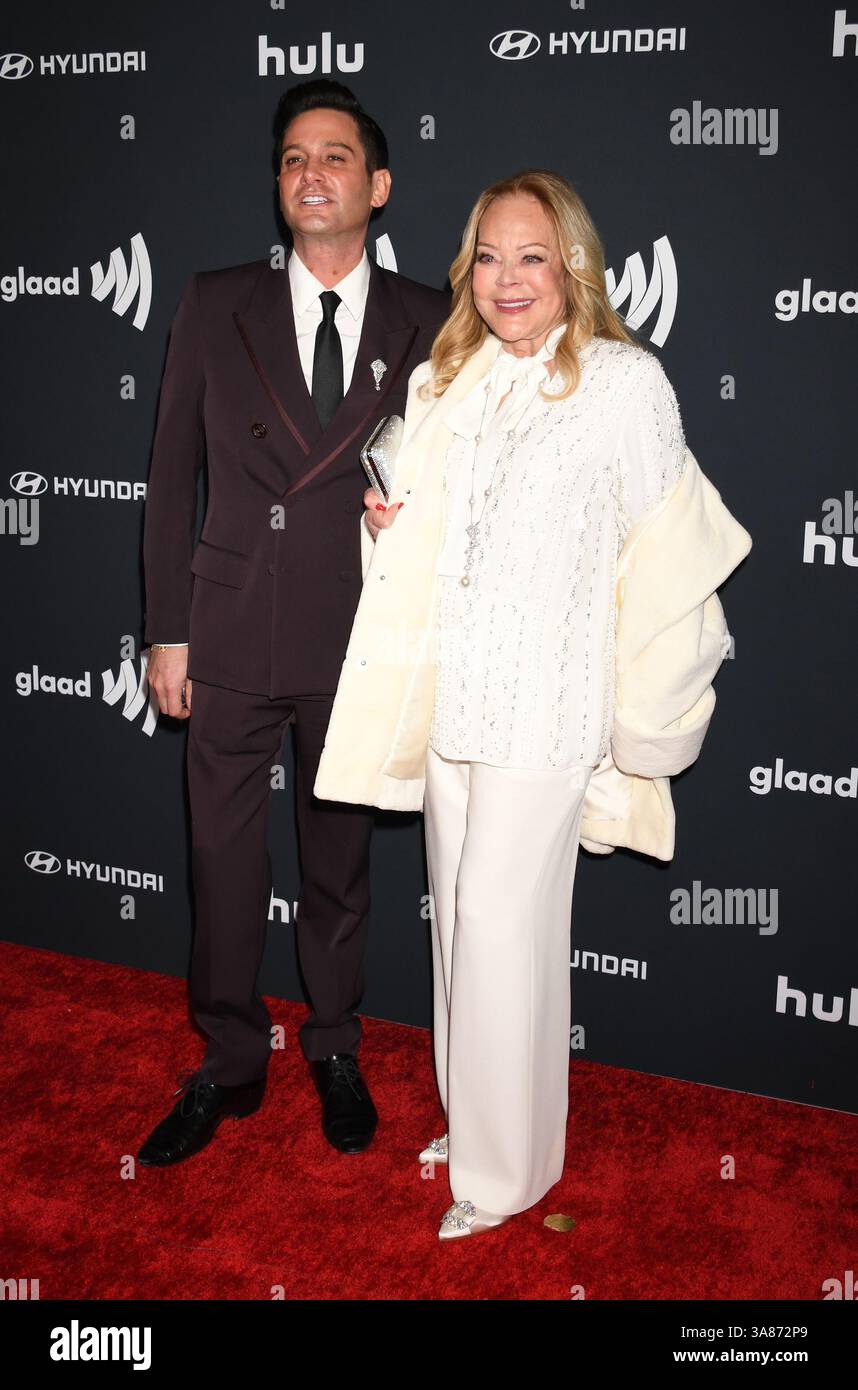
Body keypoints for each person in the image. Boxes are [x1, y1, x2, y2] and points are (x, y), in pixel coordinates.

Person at [312, 169, 752, 1237]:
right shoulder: (451, 378)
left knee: (505, 932)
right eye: (491, 257)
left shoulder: (621, 383)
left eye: (534, 257)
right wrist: (386, 528)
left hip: (548, 712)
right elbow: (433, 547)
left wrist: (642, 720)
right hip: (459, 700)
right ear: (470, 270)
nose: (509, 280)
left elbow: (670, 558)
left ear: (575, 270)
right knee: (463, 930)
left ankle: (509, 1179)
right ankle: (481, 1128)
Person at [136, 79, 450, 1167]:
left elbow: (454, 480)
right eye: (291, 160)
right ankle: (229, 1057)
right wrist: (166, 627)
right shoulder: (213, 299)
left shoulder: (428, 318)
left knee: (338, 863)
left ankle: (333, 1043)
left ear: (379, 184)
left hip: (357, 632)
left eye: (333, 156)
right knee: (220, 856)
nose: (310, 174)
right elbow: (170, 471)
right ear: (278, 187)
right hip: (227, 621)